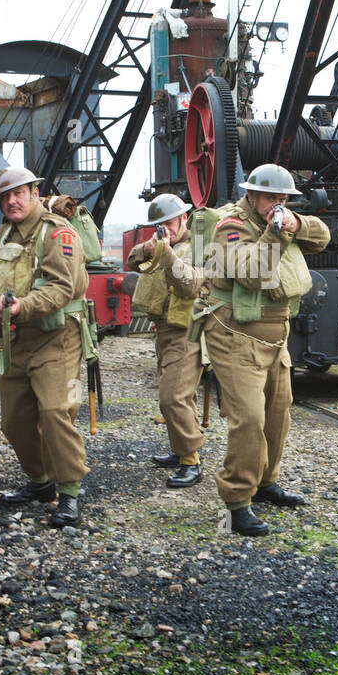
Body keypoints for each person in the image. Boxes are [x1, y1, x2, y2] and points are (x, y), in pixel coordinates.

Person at [198, 164, 330, 536]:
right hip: (236, 334)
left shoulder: (282, 216)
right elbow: (252, 274)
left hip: (275, 335)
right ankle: (238, 500)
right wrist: (277, 233)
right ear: (252, 195)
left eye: (284, 199)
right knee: (248, 419)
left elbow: (323, 237)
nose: (278, 204)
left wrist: (294, 223)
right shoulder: (229, 227)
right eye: (272, 197)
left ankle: (266, 482)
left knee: (277, 411)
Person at [0, 166, 90, 527]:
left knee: (56, 411)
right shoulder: (5, 232)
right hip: (15, 339)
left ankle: (69, 491)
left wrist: (22, 307)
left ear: (34, 192)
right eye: (5, 198)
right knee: (15, 421)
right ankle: (40, 482)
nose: (12, 201)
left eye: (19, 193)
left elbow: (61, 289)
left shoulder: (58, 233)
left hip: (57, 338)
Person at [127, 193, 208, 487]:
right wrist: (149, 247)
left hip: (187, 332)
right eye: (159, 225)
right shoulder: (160, 246)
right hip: (163, 330)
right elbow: (132, 260)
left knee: (173, 396)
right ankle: (181, 450)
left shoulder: (199, 248)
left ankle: (191, 461)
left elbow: (188, 285)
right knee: (178, 397)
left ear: (183, 218)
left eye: (170, 223)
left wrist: (166, 253)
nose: (166, 230)